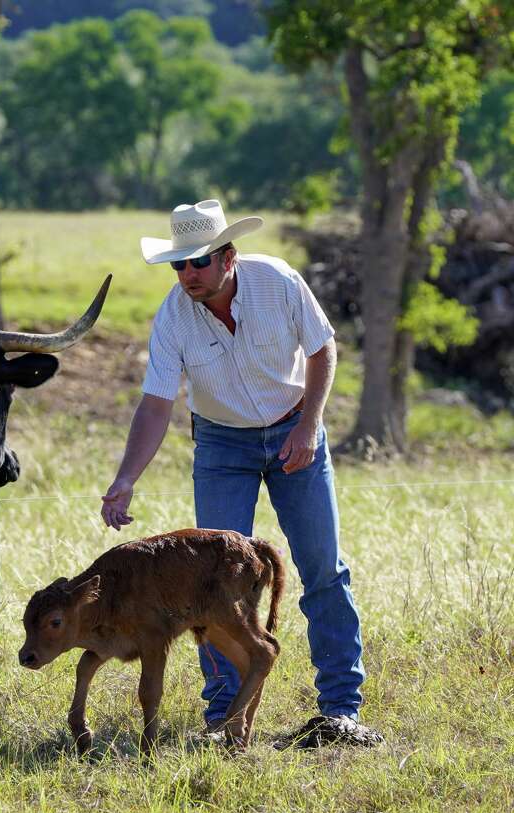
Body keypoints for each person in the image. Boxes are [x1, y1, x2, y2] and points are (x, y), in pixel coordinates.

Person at [100, 199, 382, 749]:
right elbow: (156, 405)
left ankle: (340, 711)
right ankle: (224, 719)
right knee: (212, 584)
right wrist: (126, 477)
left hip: (294, 428)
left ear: (229, 256)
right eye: (179, 265)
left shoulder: (277, 281)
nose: (188, 275)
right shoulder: (173, 315)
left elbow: (323, 351)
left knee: (323, 566)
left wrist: (308, 426)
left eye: (199, 262)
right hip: (222, 444)